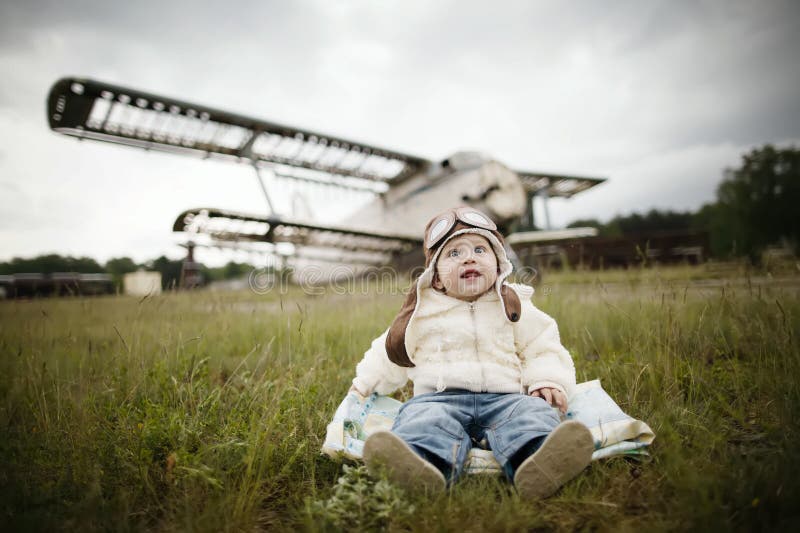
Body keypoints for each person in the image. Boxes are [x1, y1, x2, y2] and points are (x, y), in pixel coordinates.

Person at [349, 206, 594, 499]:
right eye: (454, 253)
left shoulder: (514, 305)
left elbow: (541, 346)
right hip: (439, 399)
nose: (469, 258)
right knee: (421, 420)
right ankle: (422, 466)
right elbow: (389, 351)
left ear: (499, 265)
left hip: (507, 398)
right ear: (436, 277)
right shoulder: (422, 314)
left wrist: (547, 380)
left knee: (533, 414)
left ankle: (538, 459)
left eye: (480, 249)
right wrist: (364, 383)